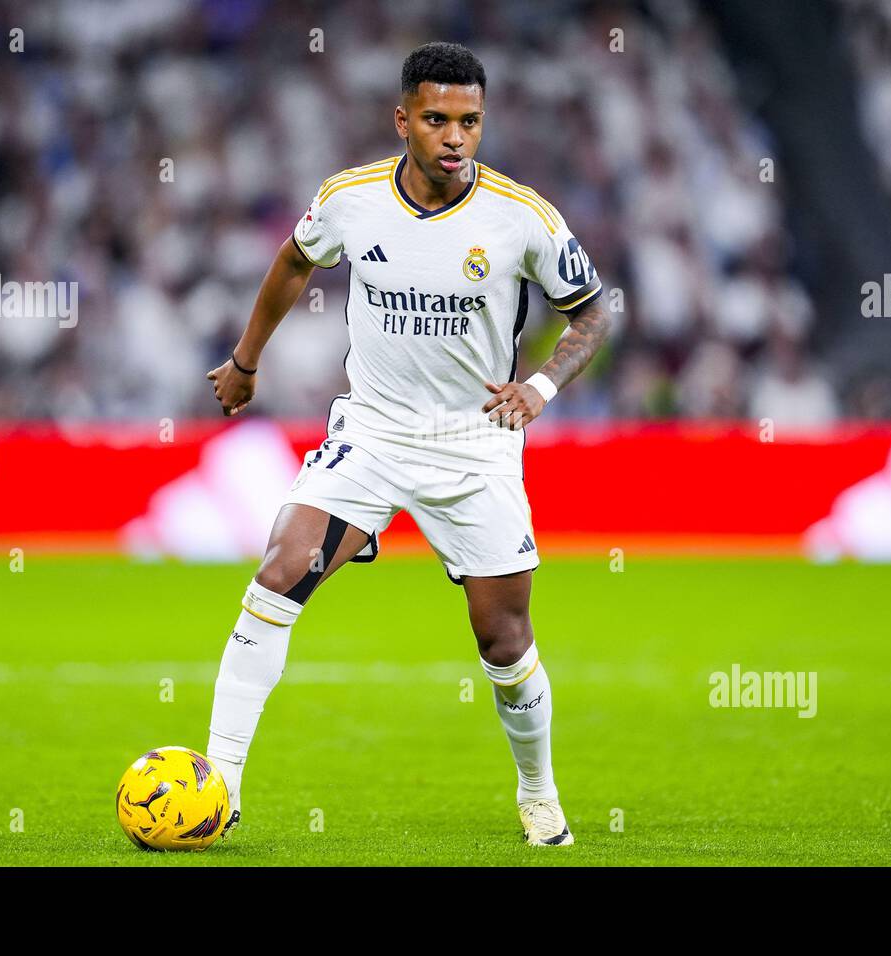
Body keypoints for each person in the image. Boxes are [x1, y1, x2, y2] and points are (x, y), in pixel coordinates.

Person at [204, 41, 611, 846]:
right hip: (375, 430)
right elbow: (293, 262)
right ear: (403, 120)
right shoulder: (350, 200)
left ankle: (538, 791)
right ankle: (220, 784)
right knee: (279, 574)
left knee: (504, 640)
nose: (455, 138)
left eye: (470, 122)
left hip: (475, 442)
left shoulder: (523, 217)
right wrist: (245, 362)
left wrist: (539, 387)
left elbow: (592, 312)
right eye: (437, 120)